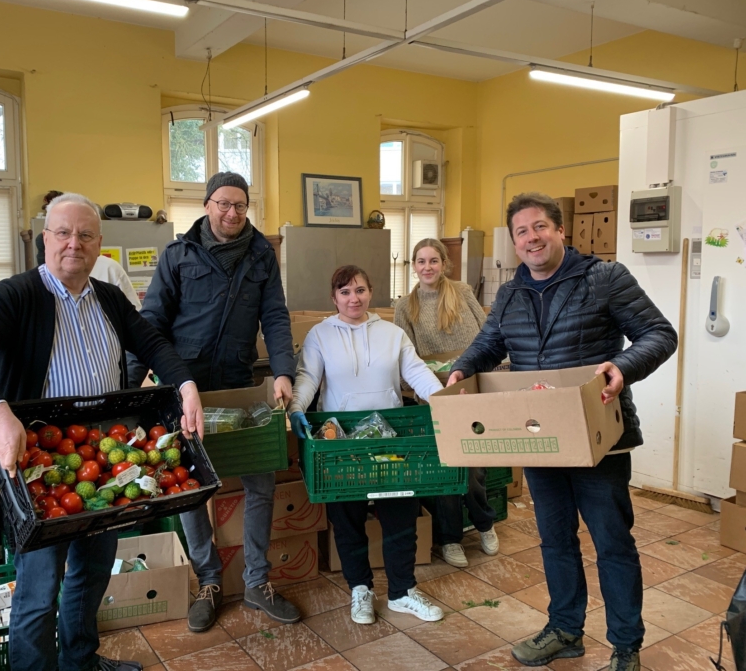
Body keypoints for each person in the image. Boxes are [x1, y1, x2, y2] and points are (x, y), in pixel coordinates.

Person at [0, 192, 206, 671]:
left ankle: (81, 661)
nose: (73, 243)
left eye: (84, 235)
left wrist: (185, 384)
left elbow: (151, 341)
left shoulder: (108, 297)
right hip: (38, 461)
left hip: (103, 457)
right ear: (46, 239)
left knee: (91, 573)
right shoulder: (16, 295)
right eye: (63, 233)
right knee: (39, 590)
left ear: (99, 244)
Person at [447, 192, 677, 671]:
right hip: (539, 433)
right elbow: (488, 345)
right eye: (521, 232)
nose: (531, 238)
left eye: (539, 227)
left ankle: (626, 646)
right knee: (555, 539)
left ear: (560, 230)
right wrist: (461, 370)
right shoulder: (511, 293)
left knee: (612, 541)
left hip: (599, 436)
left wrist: (623, 367)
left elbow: (660, 334)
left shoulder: (604, 278)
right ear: (514, 242)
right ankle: (566, 629)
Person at [128, 171, 300, 633]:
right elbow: (152, 321)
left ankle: (256, 582)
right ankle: (208, 581)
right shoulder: (178, 254)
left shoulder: (263, 256)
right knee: (188, 485)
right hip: (187, 387)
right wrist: (132, 387)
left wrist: (284, 370)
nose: (232, 213)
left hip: (238, 381)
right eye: (223, 203)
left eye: (240, 205)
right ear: (206, 205)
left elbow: (276, 317)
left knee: (260, 479)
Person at [289, 265, 445, 626]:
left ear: (370, 292)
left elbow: (416, 371)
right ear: (334, 298)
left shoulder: (392, 333)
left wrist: (442, 397)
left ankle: (403, 592)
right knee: (347, 519)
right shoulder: (320, 334)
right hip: (340, 443)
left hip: (390, 437)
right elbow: (308, 377)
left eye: (359, 290)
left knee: (401, 515)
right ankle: (360, 589)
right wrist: (297, 407)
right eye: (344, 292)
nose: (353, 298)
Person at [394, 238, 499, 568]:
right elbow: (405, 356)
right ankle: (450, 538)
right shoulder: (405, 306)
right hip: (432, 394)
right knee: (444, 468)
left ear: (444, 264)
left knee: (474, 468)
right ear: (413, 266)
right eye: (421, 261)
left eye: (434, 261)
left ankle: (484, 524)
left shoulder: (463, 292)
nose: (427, 267)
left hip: (471, 388)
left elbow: (485, 336)